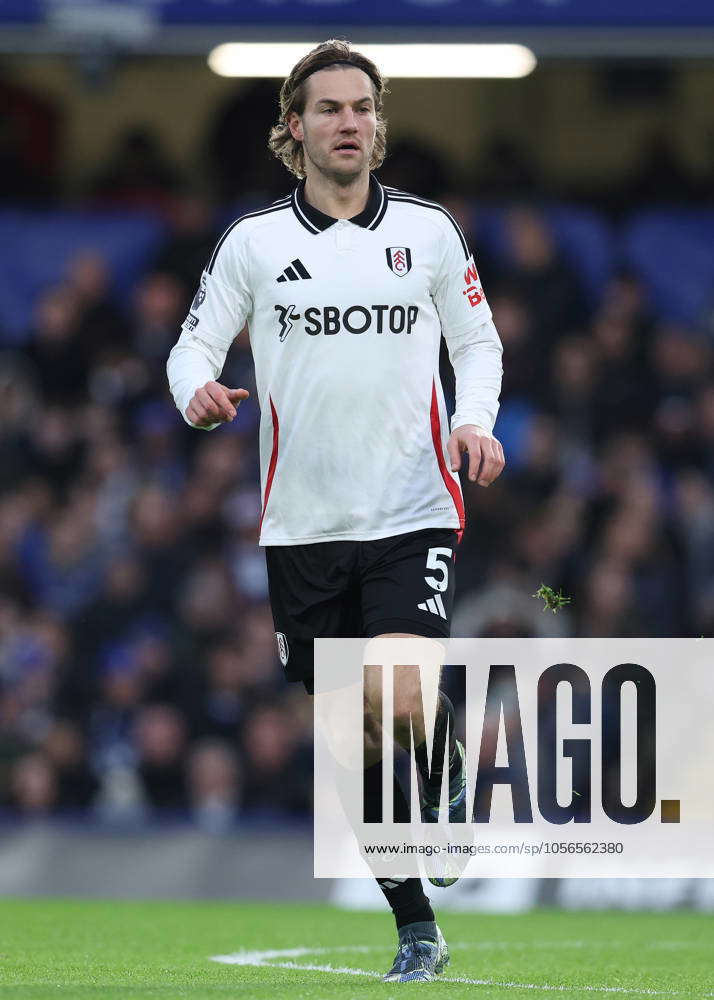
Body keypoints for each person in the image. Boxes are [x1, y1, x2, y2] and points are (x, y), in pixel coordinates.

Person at [167, 39, 504, 983]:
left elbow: (479, 345)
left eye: (362, 107)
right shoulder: (255, 244)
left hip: (410, 505)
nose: (349, 122)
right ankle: (415, 927)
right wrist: (195, 391)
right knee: (352, 749)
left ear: (378, 124)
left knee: (400, 688)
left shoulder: (430, 232)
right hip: (302, 526)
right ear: (295, 129)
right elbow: (191, 348)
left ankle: (443, 774)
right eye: (329, 109)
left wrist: (474, 423)